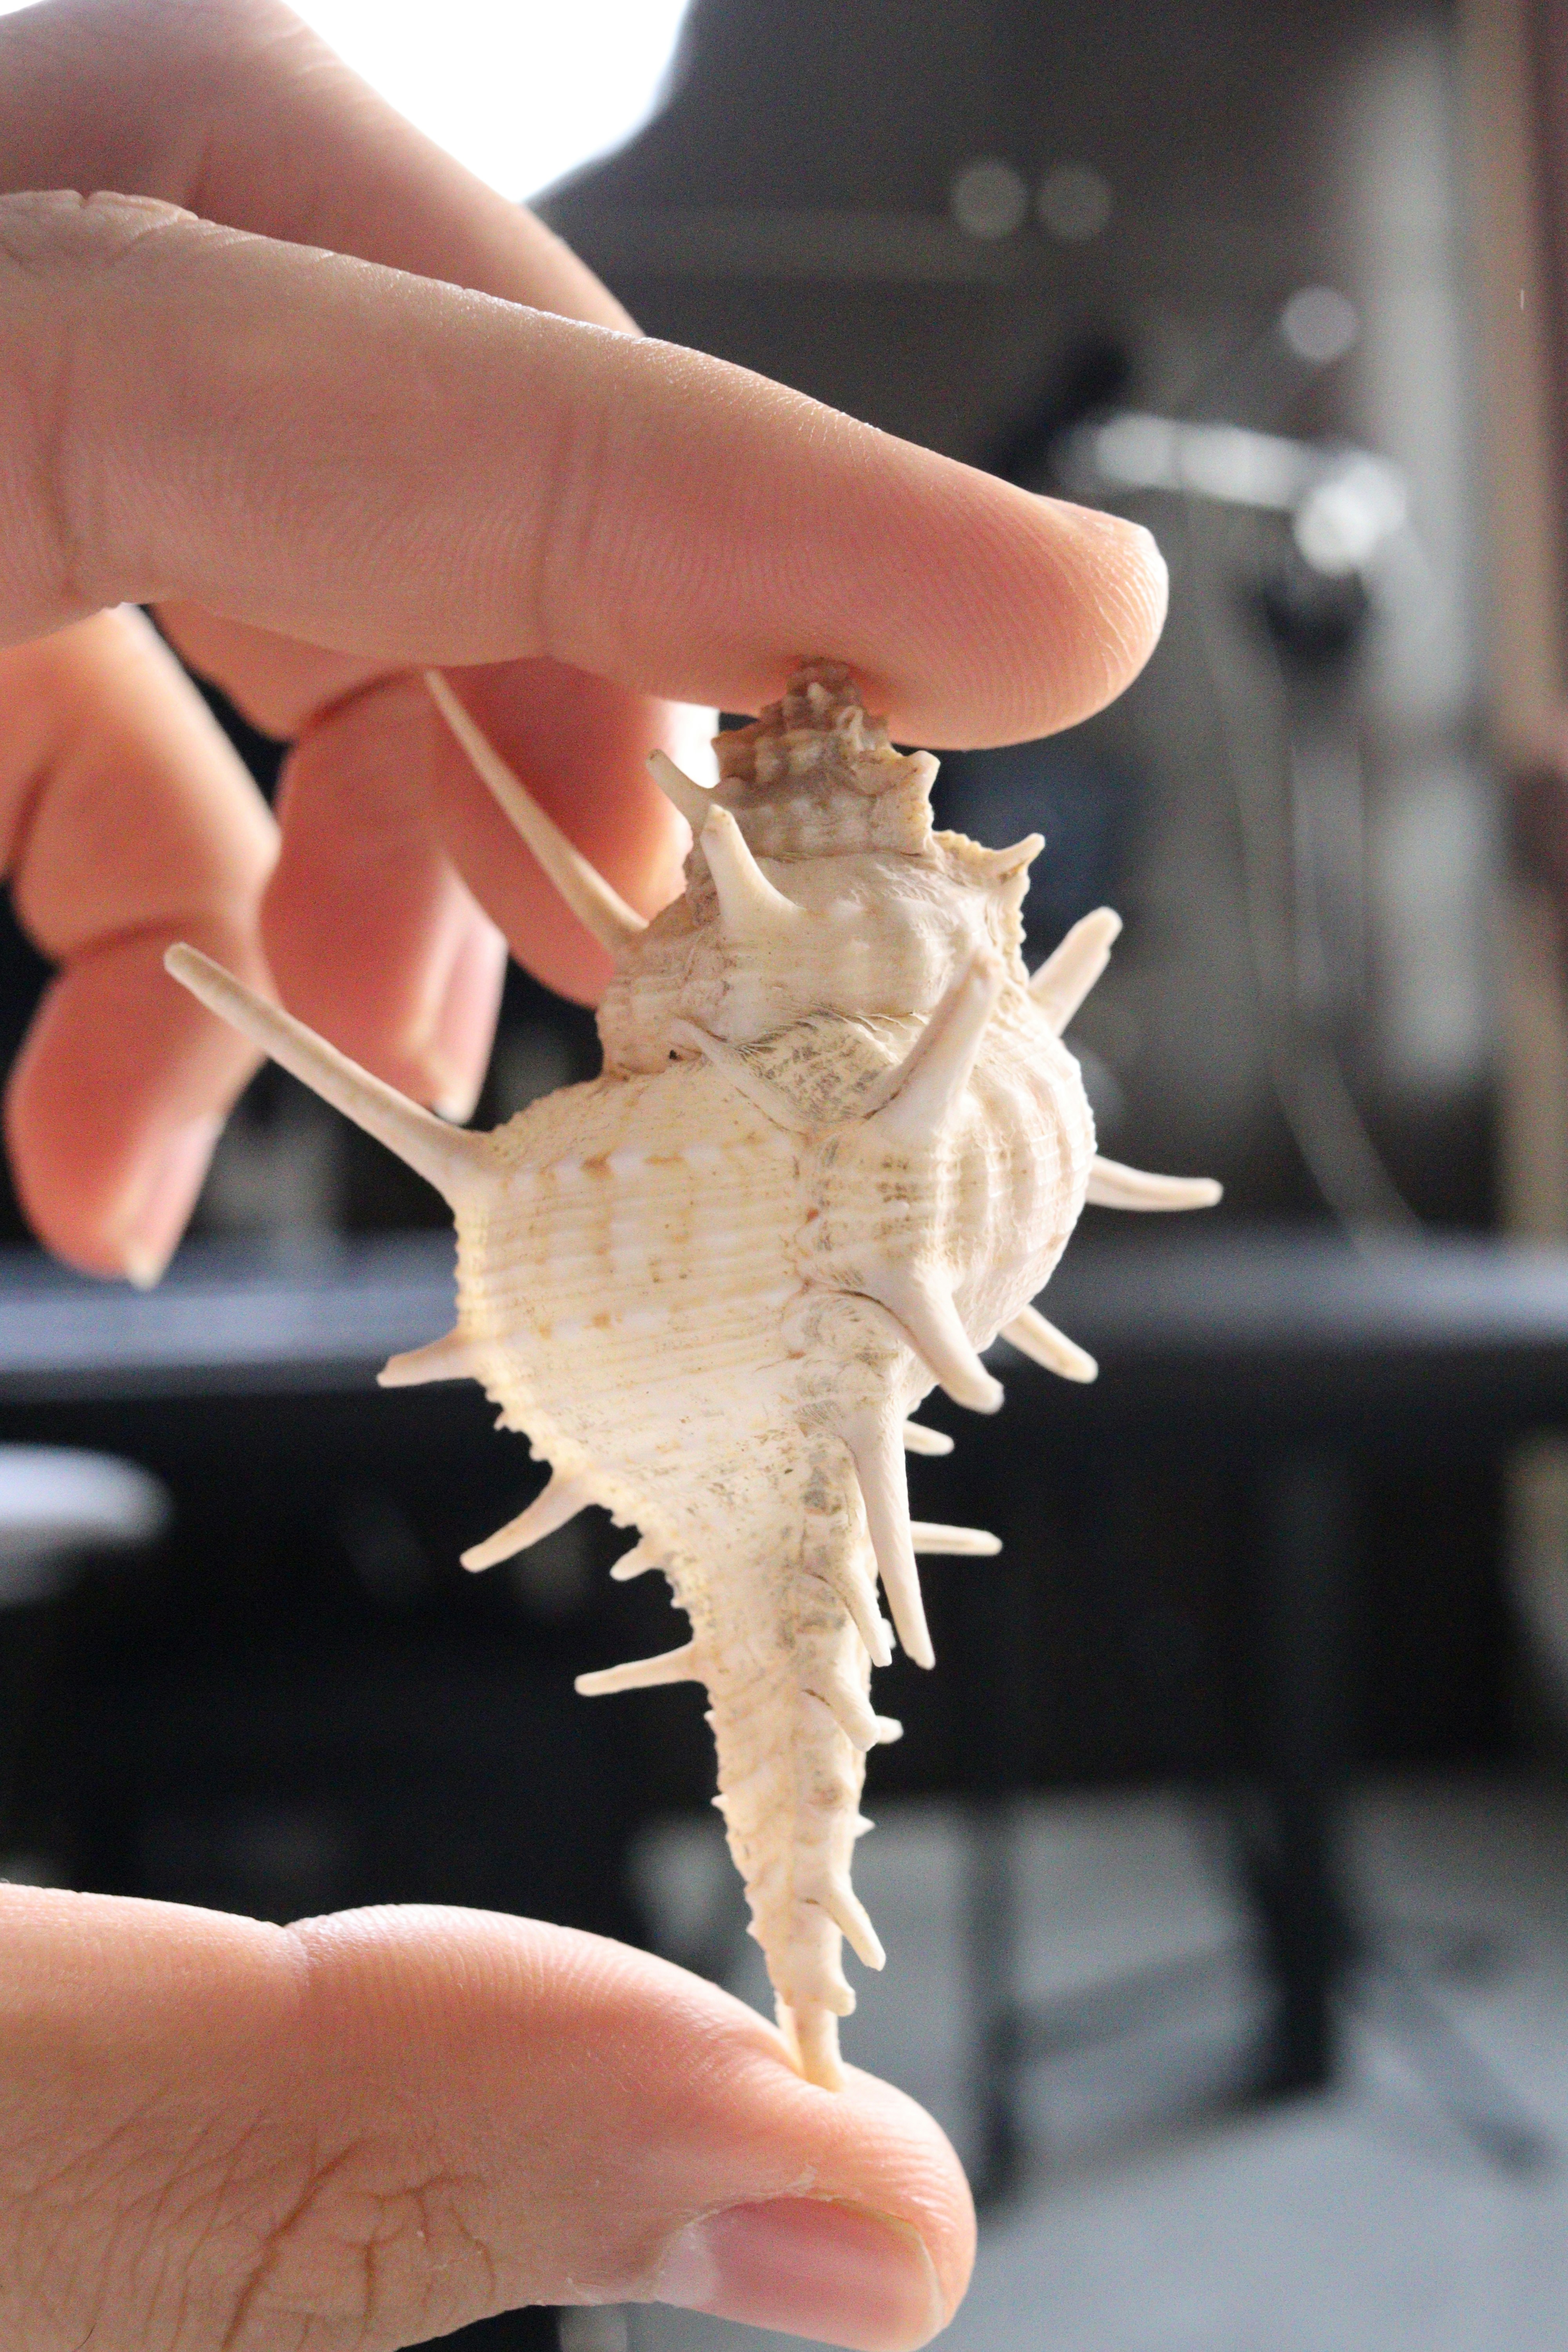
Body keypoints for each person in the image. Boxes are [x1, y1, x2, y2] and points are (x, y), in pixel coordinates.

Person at [0, 3, 1166, 2344]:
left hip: (790, 1193)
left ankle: (786, 1919)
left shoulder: (871, 1025)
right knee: (782, 1626)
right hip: (792, 1180)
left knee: (787, 1627)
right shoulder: (879, 1012)